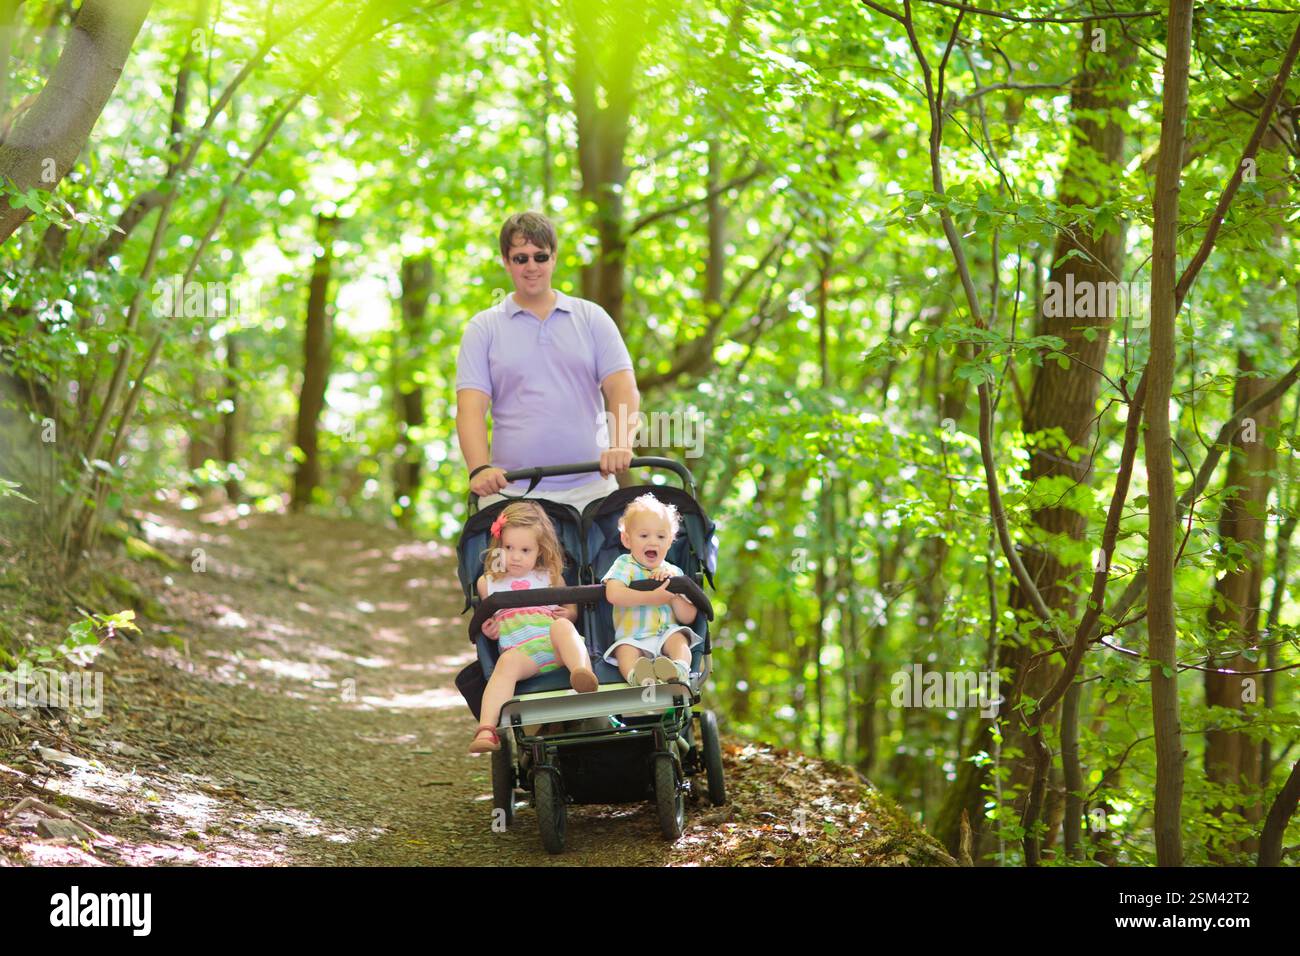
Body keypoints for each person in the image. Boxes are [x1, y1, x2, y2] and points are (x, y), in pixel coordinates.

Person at [455, 211, 641, 515]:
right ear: (506, 261)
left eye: (540, 257)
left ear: (553, 258)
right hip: (512, 495)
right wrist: (479, 468)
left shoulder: (591, 318)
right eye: (520, 258)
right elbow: (470, 408)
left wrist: (621, 444)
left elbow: (622, 387)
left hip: (592, 491)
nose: (532, 267)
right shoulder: (484, 328)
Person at [468, 502, 598, 754]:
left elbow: (572, 608)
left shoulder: (549, 576)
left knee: (562, 626)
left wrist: (569, 613)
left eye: (525, 550)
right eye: (508, 548)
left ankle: (581, 672)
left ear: (540, 550)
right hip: (523, 656)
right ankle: (487, 729)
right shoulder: (489, 583)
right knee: (506, 664)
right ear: (498, 545)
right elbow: (488, 620)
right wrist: (489, 629)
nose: (515, 556)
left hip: (554, 647)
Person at [601, 493, 702, 686]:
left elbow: (688, 617)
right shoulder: (625, 565)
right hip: (633, 638)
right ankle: (637, 676)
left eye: (661, 536)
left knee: (680, 639)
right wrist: (652, 597)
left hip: (666, 633)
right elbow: (613, 593)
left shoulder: (673, 571)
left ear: (671, 540)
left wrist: (673, 596)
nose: (653, 542)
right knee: (624, 651)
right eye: (644, 535)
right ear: (627, 540)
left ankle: (678, 669)